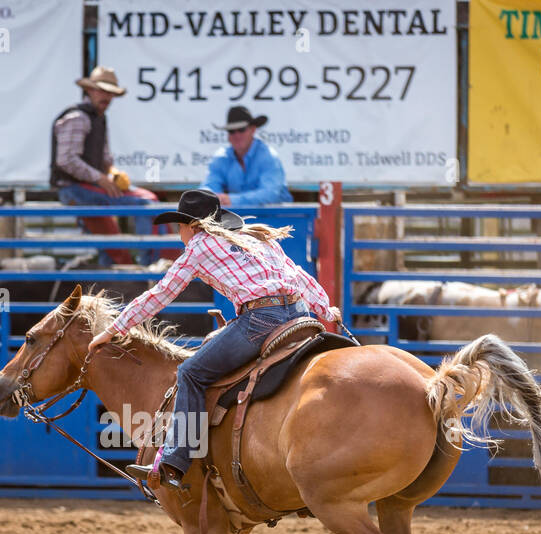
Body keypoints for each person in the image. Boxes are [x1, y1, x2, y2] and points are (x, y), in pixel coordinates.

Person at [87, 190, 338, 490]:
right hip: (299, 314)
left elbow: (161, 294)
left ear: (192, 226)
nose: (179, 233)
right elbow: (301, 276)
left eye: (180, 225)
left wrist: (113, 329)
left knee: (190, 372)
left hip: (261, 319)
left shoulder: (199, 247)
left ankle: (174, 461)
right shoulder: (258, 239)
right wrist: (326, 311)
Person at [51, 66, 161, 266]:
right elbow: (66, 160)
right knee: (146, 204)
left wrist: (112, 173)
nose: (106, 97)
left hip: (86, 187)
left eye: (109, 92)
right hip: (74, 188)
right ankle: (151, 267)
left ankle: (142, 266)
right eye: (102, 91)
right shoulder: (78, 118)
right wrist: (101, 178)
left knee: (114, 237)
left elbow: (104, 158)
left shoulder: (98, 118)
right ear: (90, 90)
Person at [199, 106, 292, 206]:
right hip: (238, 216)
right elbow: (209, 186)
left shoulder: (268, 156)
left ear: (253, 129)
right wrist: (211, 197)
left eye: (241, 129)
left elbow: (270, 194)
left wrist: (231, 200)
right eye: (231, 131)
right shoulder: (221, 157)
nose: (237, 135)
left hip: (277, 217)